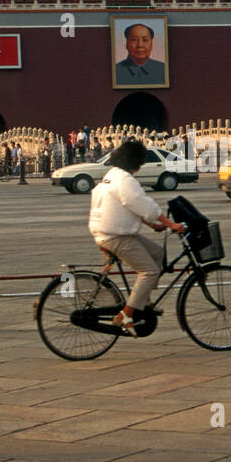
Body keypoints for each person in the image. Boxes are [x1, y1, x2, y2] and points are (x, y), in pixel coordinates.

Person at [87, 139, 185, 333]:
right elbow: (143, 204)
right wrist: (171, 224)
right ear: (136, 162)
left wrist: (151, 225)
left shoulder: (112, 175)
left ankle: (143, 302)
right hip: (114, 235)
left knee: (158, 253)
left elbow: (126, 207)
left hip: (108, 229)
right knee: (149, 272)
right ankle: (126, 314)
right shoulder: (125, 180)